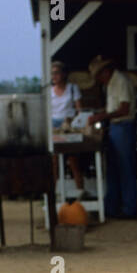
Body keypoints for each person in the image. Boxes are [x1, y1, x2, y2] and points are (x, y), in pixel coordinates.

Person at [89, 56, 137, 220]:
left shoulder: (121, 81)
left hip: (123, 126)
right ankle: (111, 206)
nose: (100, 81)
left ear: (106, 72)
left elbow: (124, 109)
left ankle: (129, 208)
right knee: (113, 169)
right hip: (115, 127)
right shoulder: (110, 84)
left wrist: (102, 116)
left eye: (99, 76)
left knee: (125, 169)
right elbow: (113, 107)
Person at [50, 61, 86, 198]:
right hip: (54, 126)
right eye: (52, 73)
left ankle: (80, 191)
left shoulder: (72, 88)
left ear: (64, 74)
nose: (54, 76)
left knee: (73, 160)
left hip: (69, 125)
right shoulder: (49, 91)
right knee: (54, 162)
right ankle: (52, 194)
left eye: (57, 73)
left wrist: (77, 123)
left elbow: (79, 109)